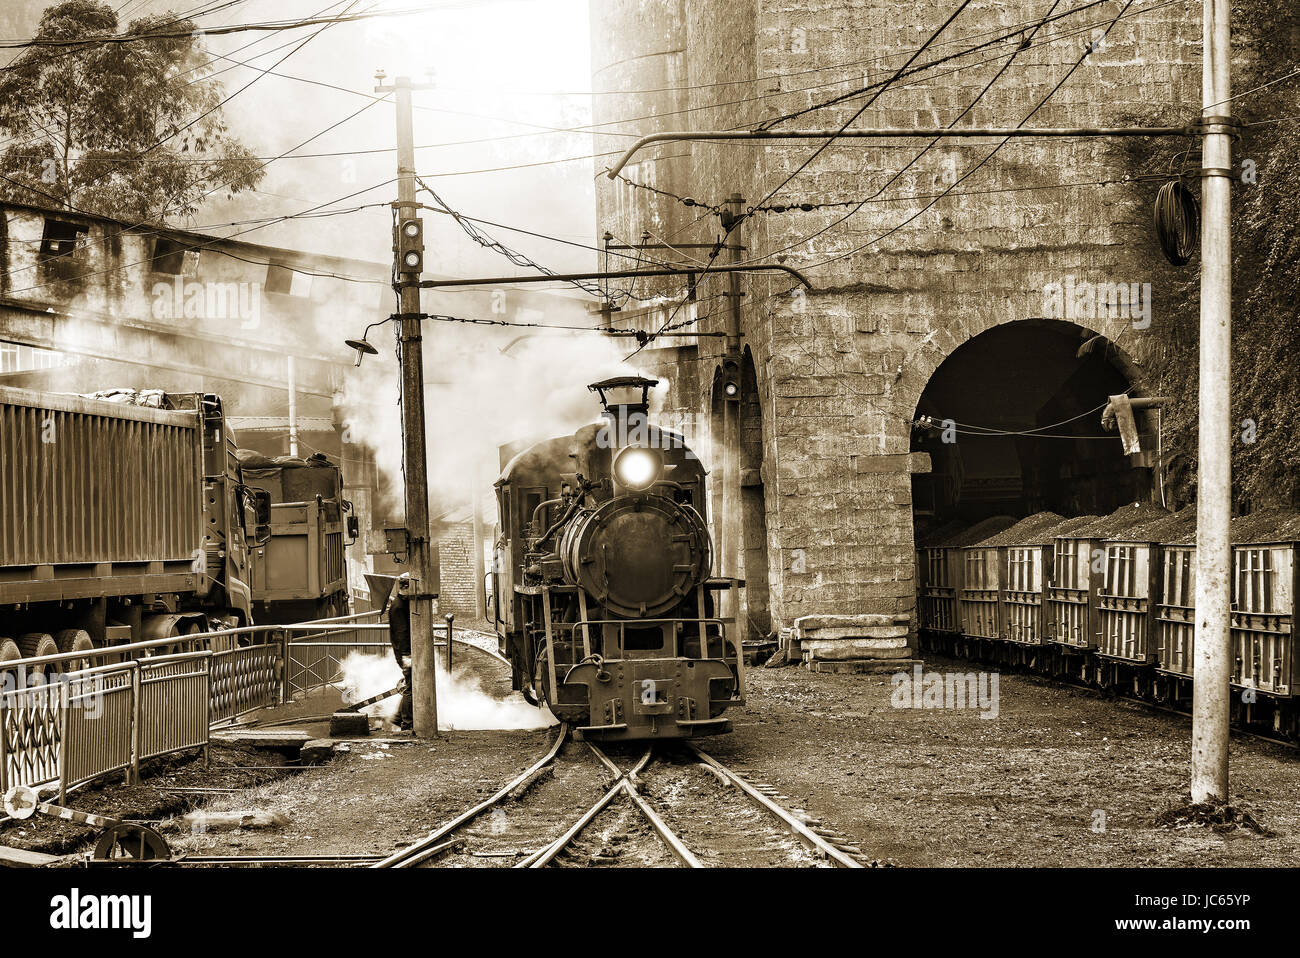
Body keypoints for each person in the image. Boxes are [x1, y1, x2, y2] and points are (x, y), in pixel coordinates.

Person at [385, 572, 413, 730]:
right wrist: (406, 655)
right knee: (411, 687)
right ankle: (406, 722)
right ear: (406, 587)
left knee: (411, 685)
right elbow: (401, 633)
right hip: (405, 654)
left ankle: (399, 718)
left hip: (405, 653)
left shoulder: (400, 604)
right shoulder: (399, 607)